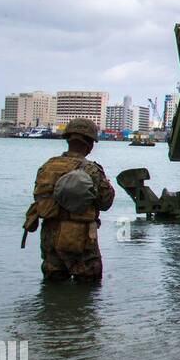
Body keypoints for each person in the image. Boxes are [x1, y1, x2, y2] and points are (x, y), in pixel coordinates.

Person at [24, 118, 115, 282]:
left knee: (52, 286)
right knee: (87, 286)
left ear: (68, 140)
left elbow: (39, 197)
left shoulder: (47, 166)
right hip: (80, 237)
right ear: (90, 144)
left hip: (50, 236)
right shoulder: (91, 170)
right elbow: (106, 202)